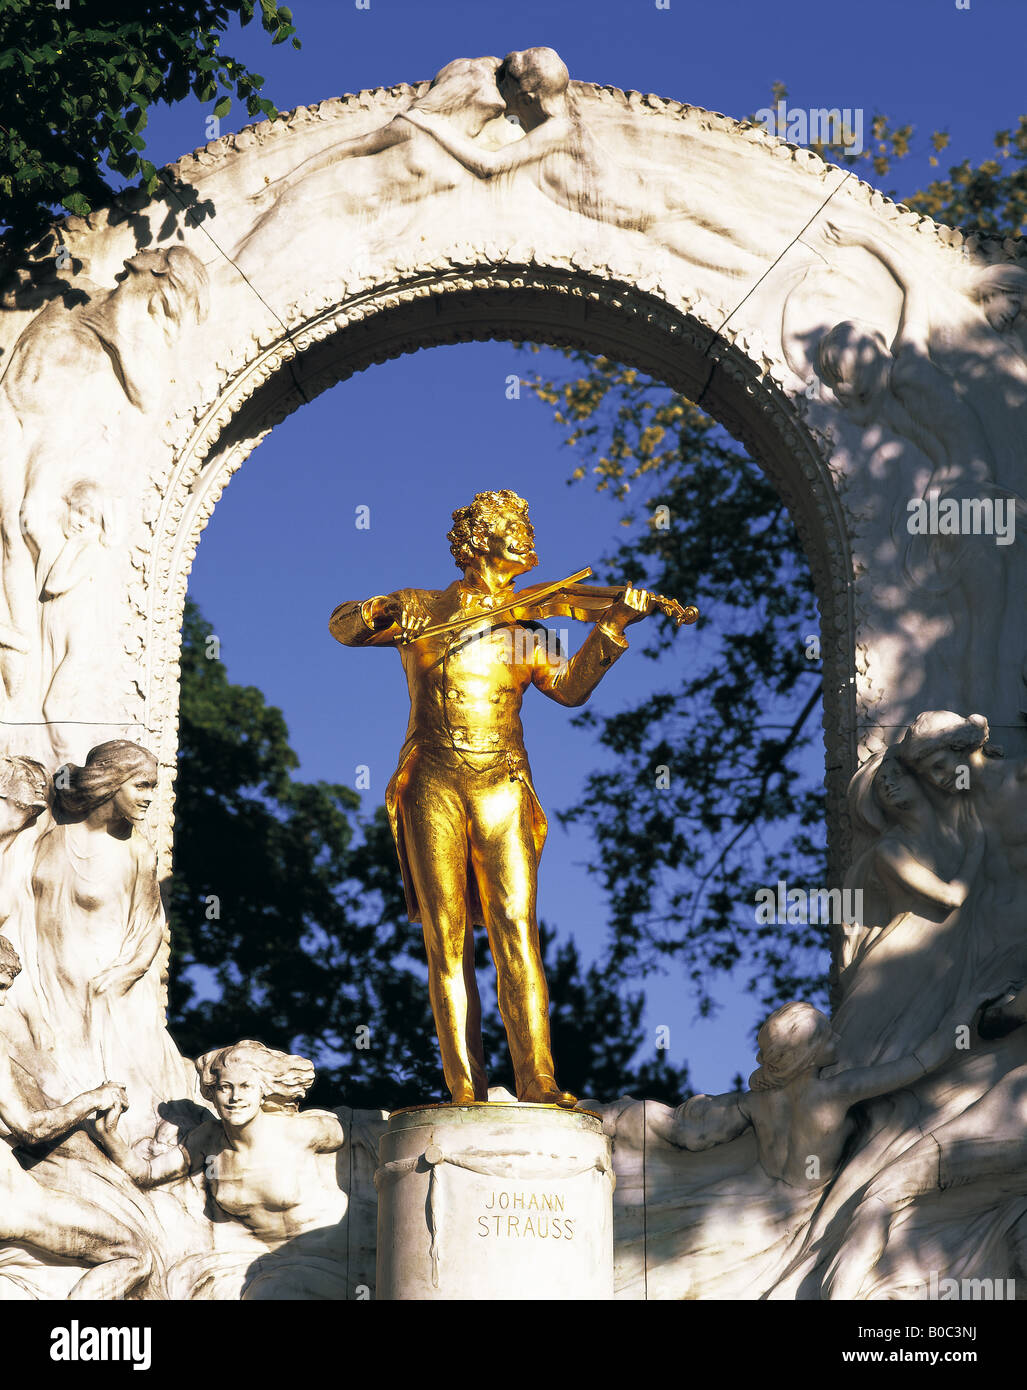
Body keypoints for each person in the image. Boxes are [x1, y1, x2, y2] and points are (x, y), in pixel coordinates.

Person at [329, 489, 656, 1107]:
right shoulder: (423, 609)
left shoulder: (528, 630)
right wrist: (380, 610)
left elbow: (570, 689)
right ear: (481, 539)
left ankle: (538, 1078)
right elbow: (342, 627)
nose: (530, 537)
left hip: (503, 781)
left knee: (516, 930)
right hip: (433, 778)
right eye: (517, 526)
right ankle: (465, 1090)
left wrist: (610, 627)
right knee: (446, 937)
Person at [0, 933, 153, 1299]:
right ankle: (70, 1344)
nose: (2, 1000)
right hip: (10, 1202)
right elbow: (30, 1128)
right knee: (133, 1254)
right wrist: (93, 1099)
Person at [93, 1040, 345, 1249]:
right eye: (226, 1087)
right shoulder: (208, 1139)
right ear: (212, 1094)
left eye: (246, 1086)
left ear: (263, 1091)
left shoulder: (299, 1131)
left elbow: (362, 1138)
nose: (235, 1097)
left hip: (331, 1246)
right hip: (259, 1260)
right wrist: (108, 1133)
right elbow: (147, 1173)